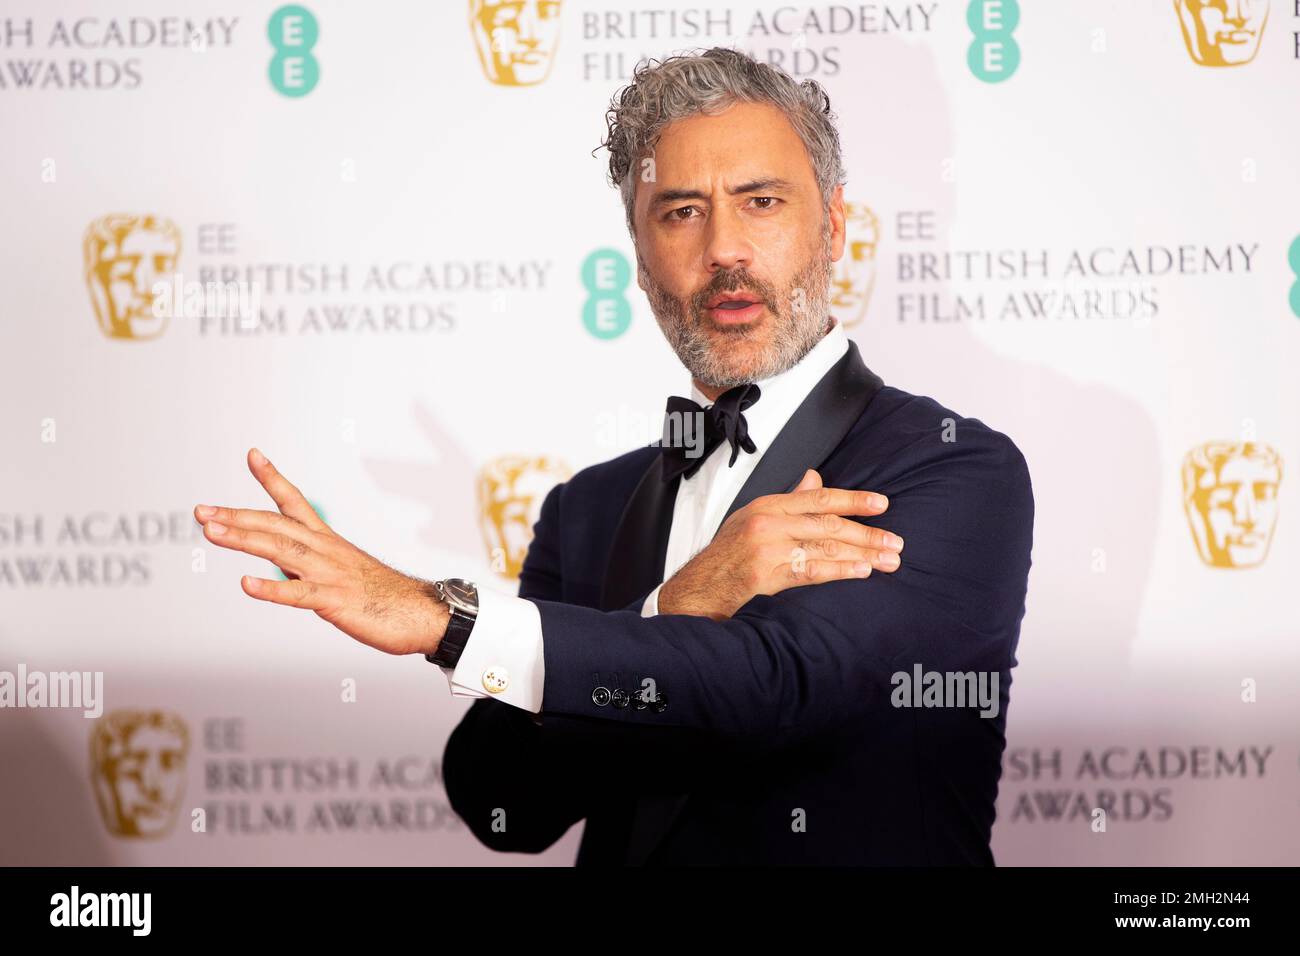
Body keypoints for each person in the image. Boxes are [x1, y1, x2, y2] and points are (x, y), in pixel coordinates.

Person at [193, 47, 1034, 865]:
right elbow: (501, 803)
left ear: (837, 224)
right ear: (638, 256)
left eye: (763, 202)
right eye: (681, 211)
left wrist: (450, 620)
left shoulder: (952, 471)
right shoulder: (589, 508)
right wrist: (683, 601)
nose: (724, 250)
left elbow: (779, 690)